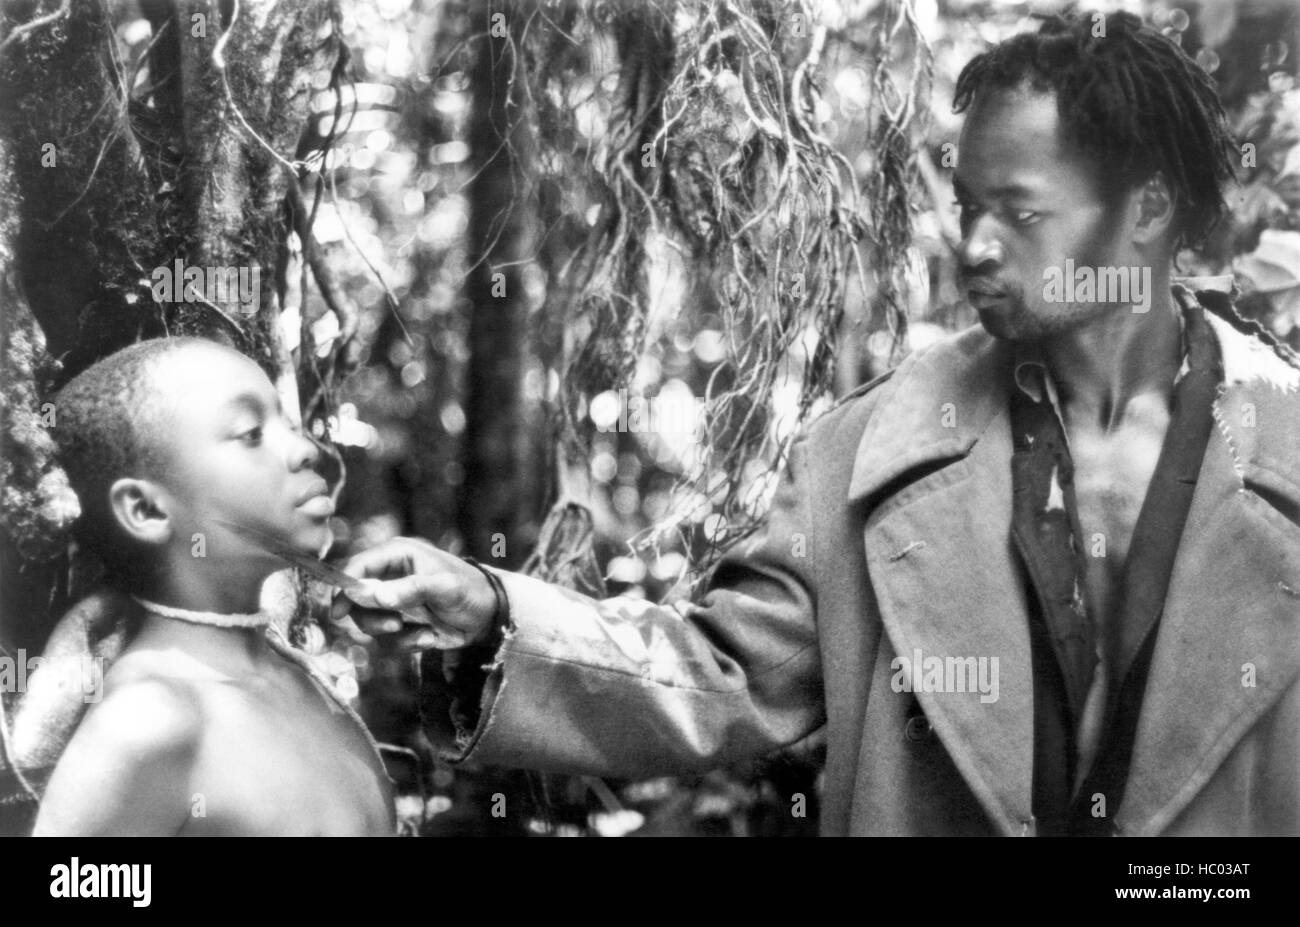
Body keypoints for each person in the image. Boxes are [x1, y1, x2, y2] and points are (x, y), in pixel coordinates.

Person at [335, 11, 1300, 837]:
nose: (973, 246)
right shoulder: (872, 451)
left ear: (1148, 209)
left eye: (1021, 213)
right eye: (969, 206)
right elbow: (721, 673)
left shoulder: (1285, 442)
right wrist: (495, 610)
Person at [32, 338, 394, 836]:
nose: (306, 450)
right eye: (251, 434)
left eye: (288, 425)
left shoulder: (304, 682)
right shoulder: (147, 720)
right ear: (147, 510)